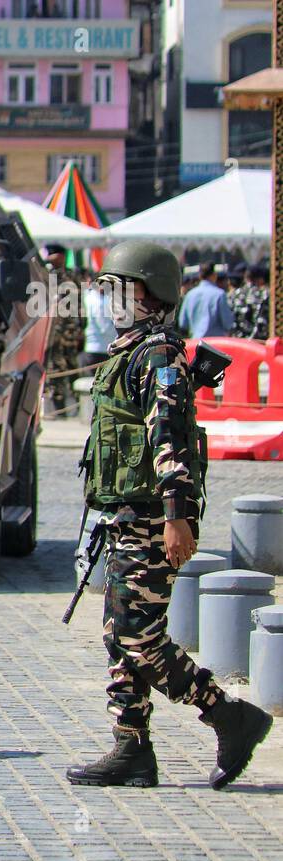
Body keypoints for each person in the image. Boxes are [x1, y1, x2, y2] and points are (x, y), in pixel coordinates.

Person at [68, 240, 272, 790]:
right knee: (120, 635)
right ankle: (131, 748)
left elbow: (169, 441)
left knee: (139, 638)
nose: (112, 303)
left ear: (151, 296)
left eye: (122, 291)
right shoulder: (128, 352)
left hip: (151, 519)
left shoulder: (157, 357)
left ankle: (232, 717)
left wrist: (176, 516)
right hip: (123, 517)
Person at [42, 245, 82, 415]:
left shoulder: (71, 276)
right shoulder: (44, 275)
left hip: (70, 332)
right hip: (52, 333)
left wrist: (81, 328)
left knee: (72, 367)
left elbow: (80, 303)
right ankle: (57, 409)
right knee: (53, 369)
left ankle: (77, 406)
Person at [177, 262, 235, 339]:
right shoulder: (219, 294)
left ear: (200, 276)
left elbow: (183, 323)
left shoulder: (190, 295)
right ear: (214, 275)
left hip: (196, 342)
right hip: (215, 344)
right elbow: (228, 323)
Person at [78, 274, 114, 372]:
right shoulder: (97, 301)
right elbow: (105, 328)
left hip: (94, 350)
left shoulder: (89, 297)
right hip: (99, 351)